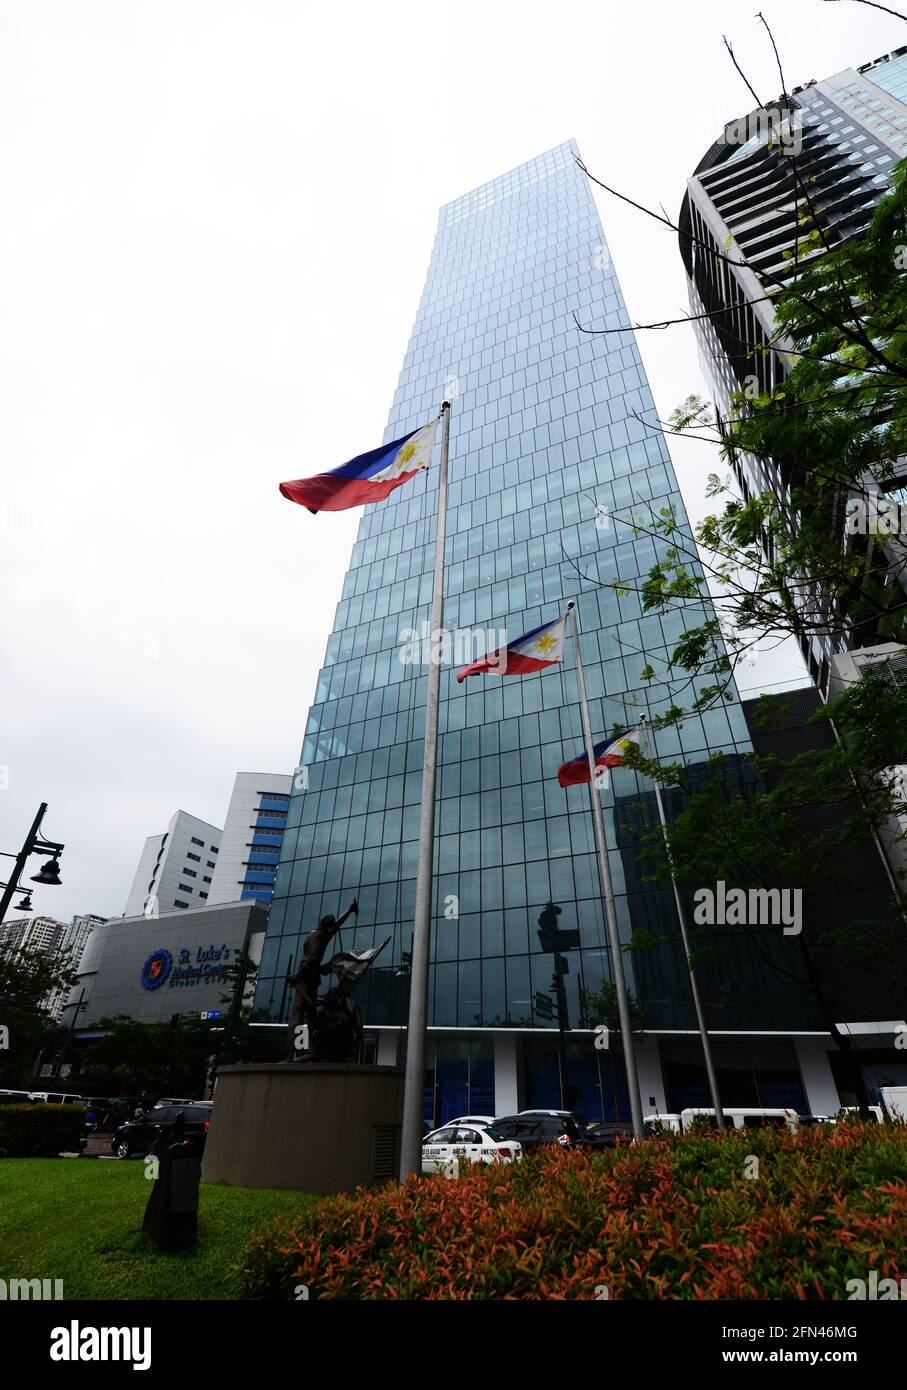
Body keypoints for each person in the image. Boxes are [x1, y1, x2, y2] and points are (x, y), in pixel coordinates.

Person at [286, 898, 358, 1059]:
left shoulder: (317, 936)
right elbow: (337, 924)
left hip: (305, 979)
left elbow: (310, 959)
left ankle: (294, 1053)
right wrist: (349, 909)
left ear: (321, 922)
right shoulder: (323, 935)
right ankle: (310, 1049)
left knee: (297, 1015)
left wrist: (296, 976)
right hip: (311, 979)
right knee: (310, 1016)